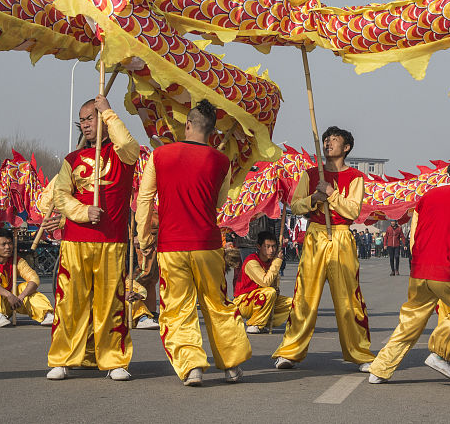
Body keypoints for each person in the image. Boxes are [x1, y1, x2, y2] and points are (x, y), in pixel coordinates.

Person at [136, 99, 251, 386]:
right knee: (217, 303)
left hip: (171, 243)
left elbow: (145, 198)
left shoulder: (160, 155)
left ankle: (192, 367)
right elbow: (220, 201)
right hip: (207, 242)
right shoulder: (221, 160)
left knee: (177, 306)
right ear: (211, 130)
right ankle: (231, 364)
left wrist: (143, 236)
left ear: (187, 124)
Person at [368, 158, 450, 384]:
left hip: (420, 269)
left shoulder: (425, 198)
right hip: (448, 269)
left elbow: (414, 239)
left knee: (410, 321)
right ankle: (441, 354)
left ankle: (380, 369)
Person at [46, 94, 138, 382]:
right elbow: (60, 195)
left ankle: (114, 360)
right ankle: (62, 358)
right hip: (75, 240)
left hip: (112, 242)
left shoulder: (122, 156)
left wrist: (109, 112)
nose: (86, 123)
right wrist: (83, 211)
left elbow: (128, 145)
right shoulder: (72, 159)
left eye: (91, 117)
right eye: (82, 119)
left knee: (111, 302)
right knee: (70, 301)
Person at [272, 126, 375, 371]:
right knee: (305, 295)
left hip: (341, 237)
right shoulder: (310, 174)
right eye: (326, 139)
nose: (328, 143)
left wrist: (330, 193)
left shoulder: (355, 177)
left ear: (346, 147)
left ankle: (359, 352)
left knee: (349, 298)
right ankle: (290, 351)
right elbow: (295, 206)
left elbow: (352, 211)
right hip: (315, 235)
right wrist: (313, 200)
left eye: (334, 140)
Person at [0, 227, 55, 327]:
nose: (8, 247)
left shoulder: (16, 261)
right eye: (3, 244)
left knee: (25, 287)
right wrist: (9, 295)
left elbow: (34, 279)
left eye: (10, 243)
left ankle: (46, 314)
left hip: (6, 304)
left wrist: (21, 297)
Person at [233, 231, 291, 333]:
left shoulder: (271, 261)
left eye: (273, 247)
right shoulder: (251, 262)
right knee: (269, 292)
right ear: (259, 247)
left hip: (261, 298)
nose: (271, 250)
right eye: (267, 246)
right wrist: (277, 262)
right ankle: (254, 323)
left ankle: (264, 321)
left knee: (293, 303)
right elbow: (266, 282)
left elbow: (272, 285)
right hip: (244, 302)